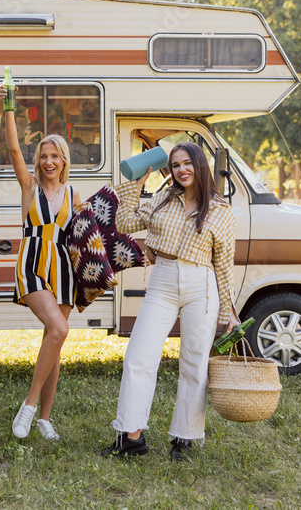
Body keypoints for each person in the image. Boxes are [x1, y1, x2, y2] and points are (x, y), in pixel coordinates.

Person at [101, 141, 240, 460]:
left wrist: (229, 311)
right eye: (176, 165)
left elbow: (224, 265)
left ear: (199, 165)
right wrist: (136, 186)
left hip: (200, 283)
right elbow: (125, 223)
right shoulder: (163, 198)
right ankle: (131, 437)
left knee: (194, 362)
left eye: (187, 163)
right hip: (162, 280)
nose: (181, 170)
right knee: (138, 356)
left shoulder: (220, 210)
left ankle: (184, 438)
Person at [0, 87, 81, 443]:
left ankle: (45, 419)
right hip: (32, 263)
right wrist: (8, 105)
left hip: (63, 270)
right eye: (44, 156)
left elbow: (88, 233)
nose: (49, 161)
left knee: (54, 339)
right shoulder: (29, 186)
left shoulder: (74, 194)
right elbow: (13, 149)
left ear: (64, 160)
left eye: (55, 156)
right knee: (59, 330)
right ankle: (29, 405)